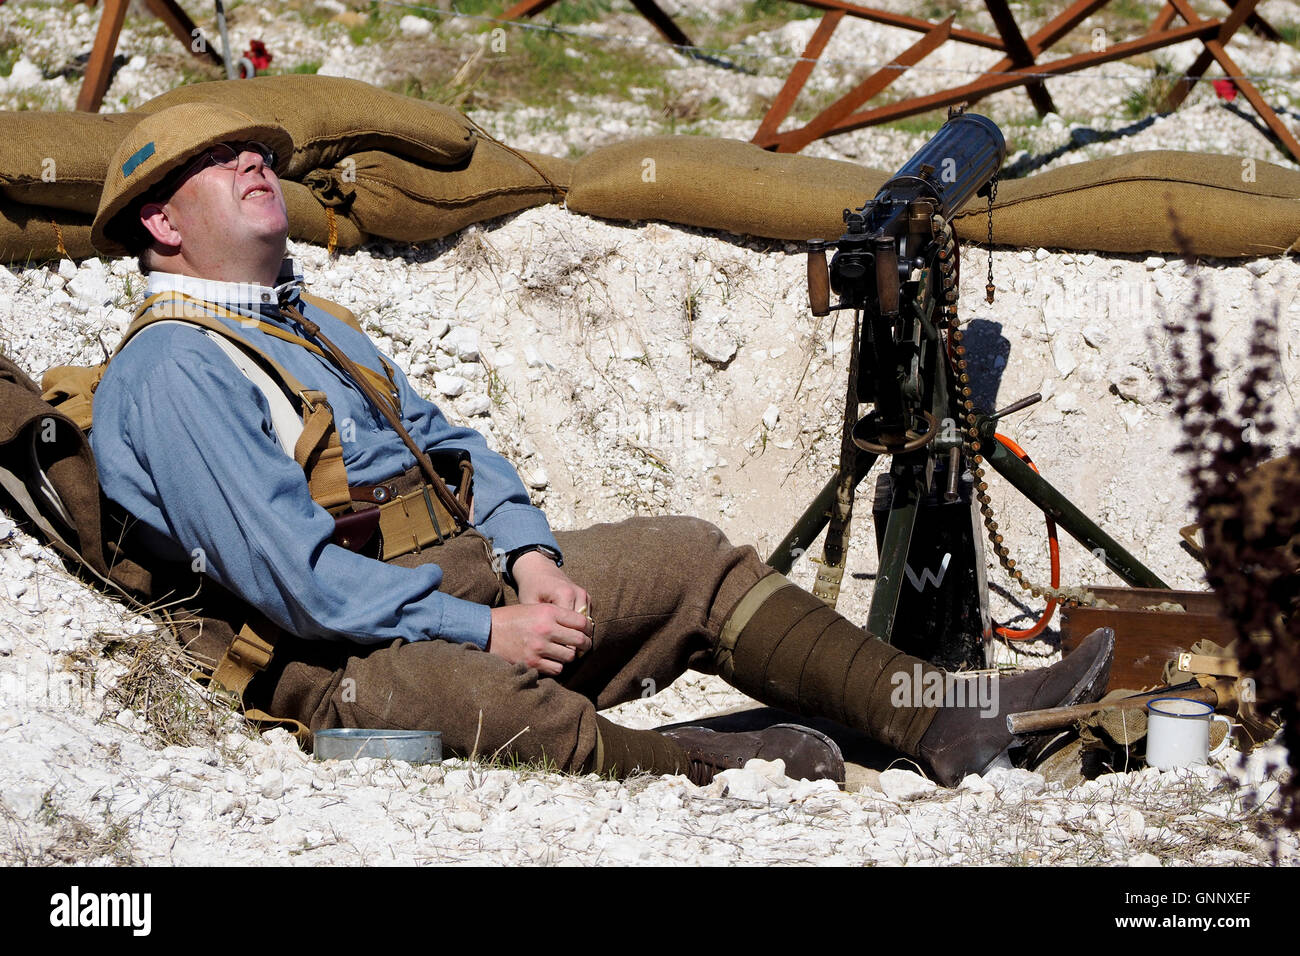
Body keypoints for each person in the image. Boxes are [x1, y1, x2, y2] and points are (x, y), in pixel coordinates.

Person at [88, 104, 1114, 787]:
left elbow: (455, 447)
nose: (254, 161)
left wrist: (529, 560)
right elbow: (296, 582)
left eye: (256, 149)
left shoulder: (306, 317)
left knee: (686, 556)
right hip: (344, 652)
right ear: (161, 221)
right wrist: (484, 631)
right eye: (218, 163)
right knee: (477, 699)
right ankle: (696, 760)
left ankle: (940, 711)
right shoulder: (177, 367)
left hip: (457, 581)